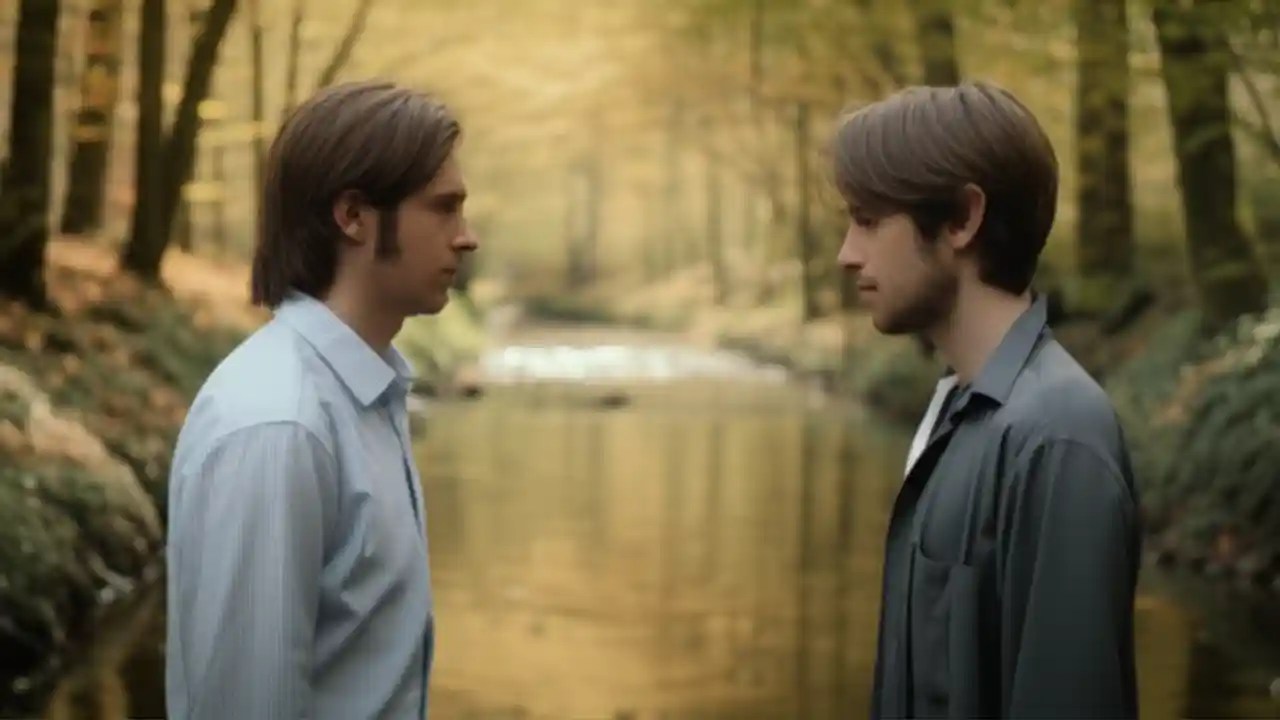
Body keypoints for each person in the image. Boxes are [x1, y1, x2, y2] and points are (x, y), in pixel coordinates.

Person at [165, 80, 477, 719]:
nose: (466, 237)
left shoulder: (367, 393)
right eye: (443, 208)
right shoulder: (280, 425)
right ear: (354, 216)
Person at [832, 82, 1141, 718]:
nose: (846, 253)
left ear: (963, 219)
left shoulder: (1057, 434)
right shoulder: (960, 413)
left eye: (867, 220)